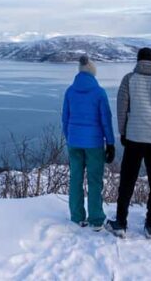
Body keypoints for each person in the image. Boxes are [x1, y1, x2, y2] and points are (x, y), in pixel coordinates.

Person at [105, 47, 151, 239]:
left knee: (127, 181)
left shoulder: (129, 79)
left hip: (134, 138)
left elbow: (121, 108)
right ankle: (150, 224)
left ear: (138, 60)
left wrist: (123, 132)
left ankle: (121, 222)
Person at [62, 55, 116, 231]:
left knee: (75, 179)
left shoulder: (70, 91)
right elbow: (106, 120)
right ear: (93, 72)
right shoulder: (99, 92)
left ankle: (77, 216)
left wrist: (70, 138)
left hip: (74, 142)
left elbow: (65, 119)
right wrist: (110, 143)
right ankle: (96, 219)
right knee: (94, 181)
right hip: (94, 144)